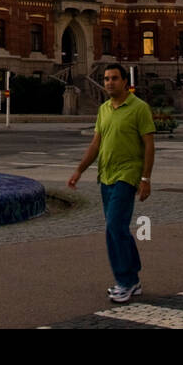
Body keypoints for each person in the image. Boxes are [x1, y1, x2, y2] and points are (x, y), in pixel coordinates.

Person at [68, 63, 155, 304]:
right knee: (117, 228)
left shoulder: (139, 108)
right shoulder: (104, 109)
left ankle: (125, 281)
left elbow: (149, 145)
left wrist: (146, 179)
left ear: (125, 81)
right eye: (106, 78)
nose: (108, 82)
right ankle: (133, 274)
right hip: (105, 175)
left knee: (114, 227)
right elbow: (96, 144)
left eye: (114, 78)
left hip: (127, 175)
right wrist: (79, 170)